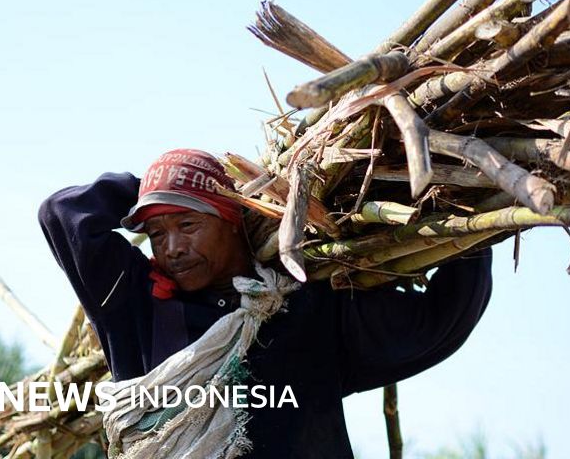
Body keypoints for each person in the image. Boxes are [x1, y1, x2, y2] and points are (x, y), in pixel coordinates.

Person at [38, 149, 493, 458]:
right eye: (157, 233)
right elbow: (61, 214)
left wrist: (471, 220)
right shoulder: (139, 308)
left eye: (188, 224)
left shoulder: (306, 308)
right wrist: (155, 186)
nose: (171, 247)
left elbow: (439, 322)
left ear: (232, 219)